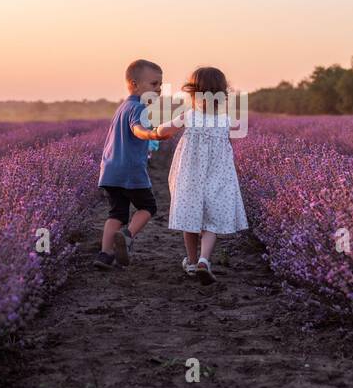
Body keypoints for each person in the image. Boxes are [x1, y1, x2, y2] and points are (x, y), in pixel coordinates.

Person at [162, 66, 248, 283]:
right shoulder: (225, 120)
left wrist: (155, 130)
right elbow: (239, 129)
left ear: (192, 92)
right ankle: (204, 260)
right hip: (217, 174)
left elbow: (165, 131)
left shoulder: (189, 116)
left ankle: (191, 262)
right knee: (211, 220)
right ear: (223, 93)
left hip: (191, 176)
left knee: (190, 217)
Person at [95, 58, 175, 269]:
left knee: (116, 213)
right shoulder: (139, 108)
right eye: (153, 84)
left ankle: (104, 255)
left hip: (110, 171)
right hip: (131, 171)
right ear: (134, 84)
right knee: (148, 206)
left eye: (160, 84)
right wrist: (151, 135)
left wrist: (150, 142)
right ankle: (127, 235)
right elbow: (137, 129)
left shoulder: (123, 106)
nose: (158, 89)